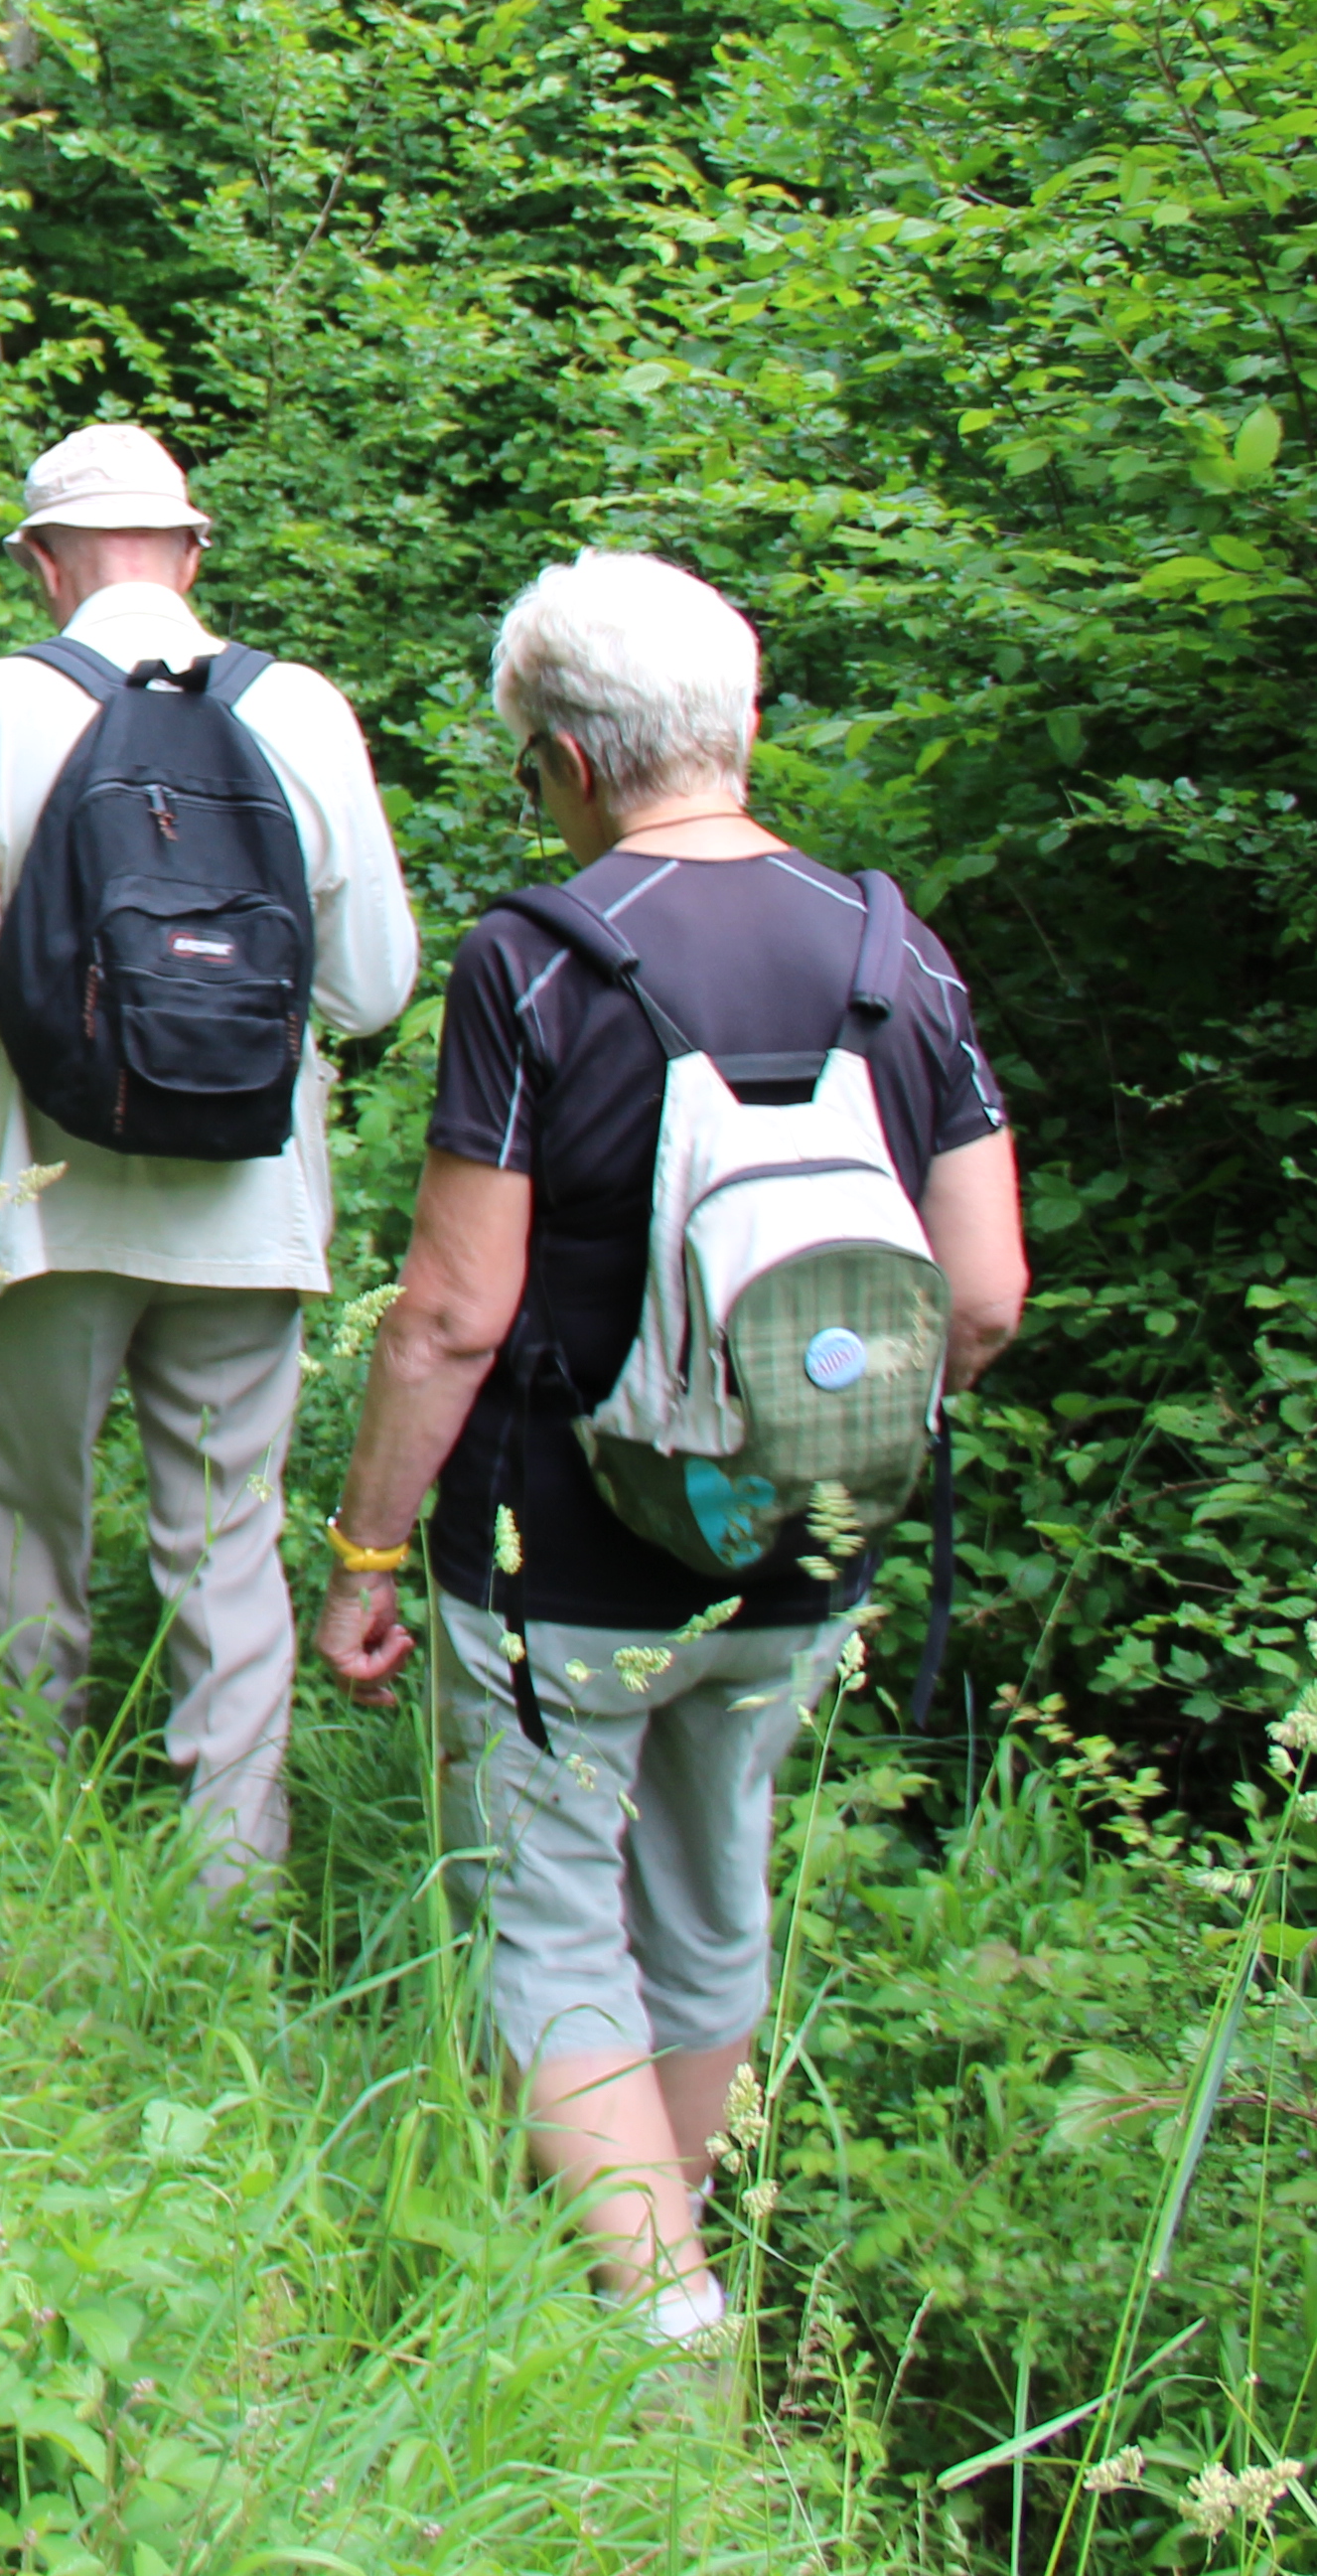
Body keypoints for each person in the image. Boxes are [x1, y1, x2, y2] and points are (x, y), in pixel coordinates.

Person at [310, 549, 1028, 2373]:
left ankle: (659, 2333)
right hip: (805, 1538)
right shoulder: (894, 948)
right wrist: (822, 1459)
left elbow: (448, 1314)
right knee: (712, 1899)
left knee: (551, 1924)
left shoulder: (533, 963)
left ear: (556, 758)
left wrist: (368, 1556)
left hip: (564, 1552)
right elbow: (987, 1291)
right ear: (740, 721)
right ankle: (669, 2274)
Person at [0, 422, 421, 1894]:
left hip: (31, 1205)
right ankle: (229, 1883)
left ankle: (24, 1857)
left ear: (42, 564)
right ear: (192, 550)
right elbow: (367, 992)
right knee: (228, 1541)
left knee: (28, 1526)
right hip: (249, 1200)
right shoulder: (303, 710)